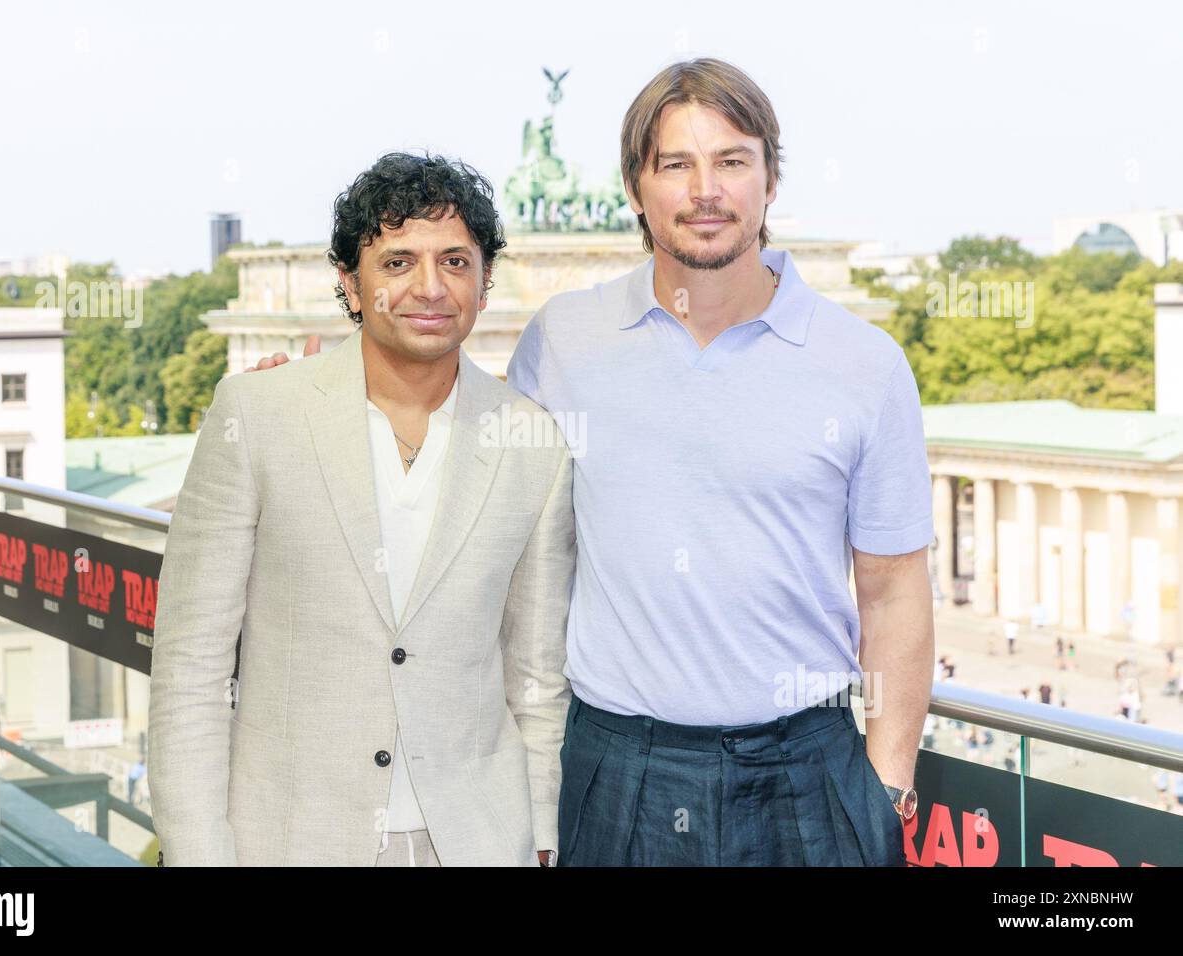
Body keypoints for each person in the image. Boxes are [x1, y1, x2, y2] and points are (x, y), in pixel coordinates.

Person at [252, 58, 933, 867]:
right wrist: (314, 399)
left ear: (771, 180)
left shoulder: (865, 363)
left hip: (809, 774)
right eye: (675, 164)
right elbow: (463, 476)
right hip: (618, 774)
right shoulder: (564, 339)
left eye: (731, 161)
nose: (704, 189)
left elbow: (893, 591)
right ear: (636, 189)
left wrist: (885, 786)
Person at [148, 153, 575, 866]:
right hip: (290, 842)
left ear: (486, 282)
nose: (430, 288)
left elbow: (535, 681)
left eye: (456, 262)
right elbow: (191, 668)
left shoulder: (535, 445)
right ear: (351, 282)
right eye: (399, 261)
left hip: (475, 841)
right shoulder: (257, 417)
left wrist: (540, 837)